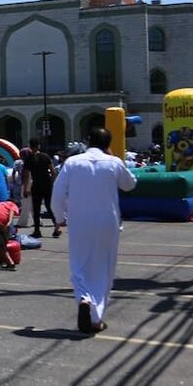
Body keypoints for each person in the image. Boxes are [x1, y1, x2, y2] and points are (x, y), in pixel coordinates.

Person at [52, 127, 138, 334]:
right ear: (108, 143)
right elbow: (130, 185)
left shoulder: (72, 162)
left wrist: (59, 218)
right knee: (104, 268)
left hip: (79, 221)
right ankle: (96, 317)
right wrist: (116, 159)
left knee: (79, 265)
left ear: (88, 141)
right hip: (107, 221)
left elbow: (57, 193)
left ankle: (84, 297)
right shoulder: (114, 162)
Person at [24, 139, 60, 238]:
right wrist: (55, 184)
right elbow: (53, 172)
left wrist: (25, 189)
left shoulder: (28, 158)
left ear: (30, 146)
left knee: (36, 208)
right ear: (39, 146)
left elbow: (26, 175)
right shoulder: (45, 156)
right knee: (49, 206)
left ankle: (37, 230)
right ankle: (57, 226)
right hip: (47, 184)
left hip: (36, 184)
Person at [0, 200, 20, 270]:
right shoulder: (12, 204)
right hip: (3, 220)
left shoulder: (0, 204)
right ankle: (10, 263)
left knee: (1, 244)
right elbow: (11, 212)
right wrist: (9, 222)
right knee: (2, 244)